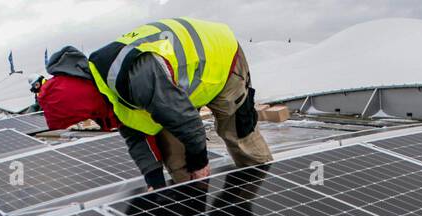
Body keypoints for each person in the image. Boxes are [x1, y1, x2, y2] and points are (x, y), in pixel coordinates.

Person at [42, 18, 271, 190]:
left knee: (238, 136)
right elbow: (136, 135)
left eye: (82, 119)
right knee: (176, 160)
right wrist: (154, 182)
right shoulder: (104, 88)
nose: (87, 123)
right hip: (177, 87)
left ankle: (265, 195)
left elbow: (188, 121)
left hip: (220, 61)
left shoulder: (133, 75)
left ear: (82, 105)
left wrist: (200, 162)